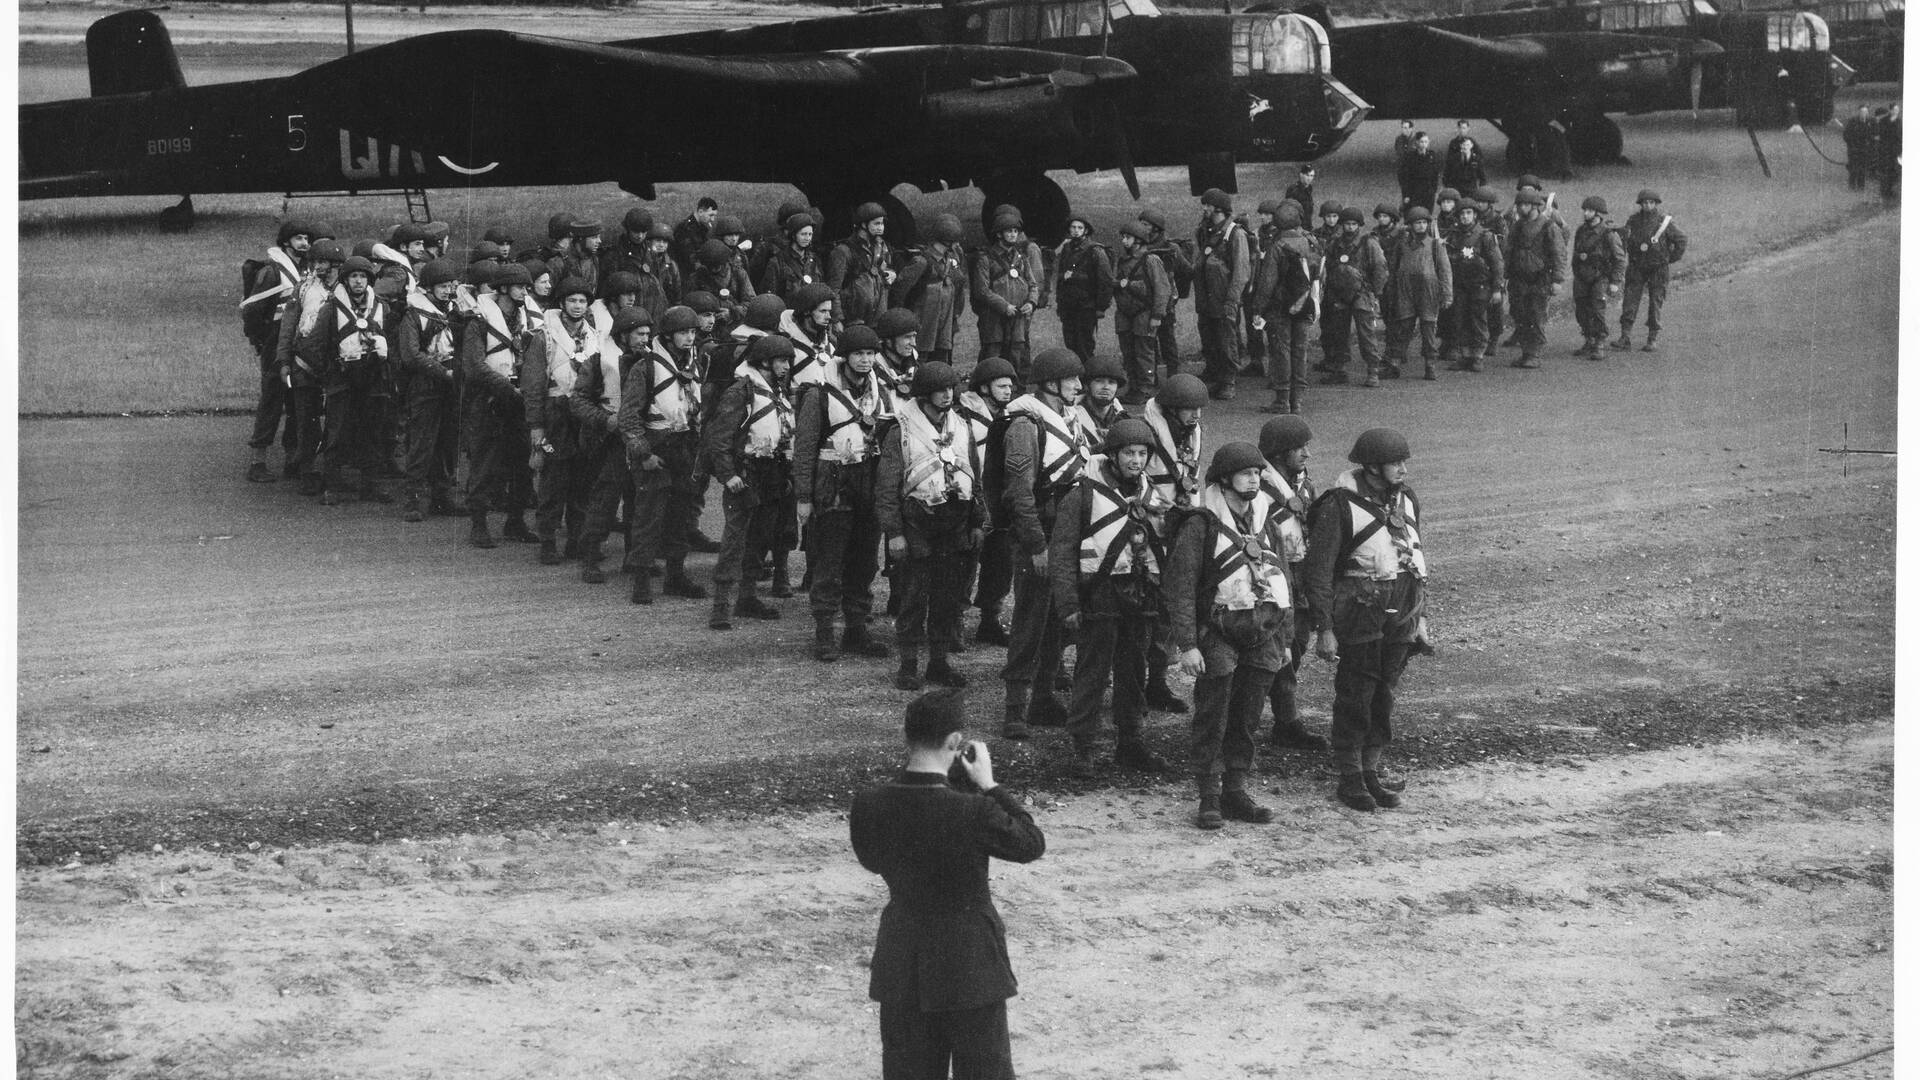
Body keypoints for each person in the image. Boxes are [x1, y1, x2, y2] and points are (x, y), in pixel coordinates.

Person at [849, 687, 1045, 1080]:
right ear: (955, 742)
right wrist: (990, 785)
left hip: (903, 959)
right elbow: (1030, 843)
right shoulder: (972, 809)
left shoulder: (869, 802)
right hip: (970, 965)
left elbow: (872, 862)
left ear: (908, 737)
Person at [1303, 427, 1431, 812]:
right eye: (1395, 463)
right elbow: (1319, 572)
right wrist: (1324, 628)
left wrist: (1421, 617)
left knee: (1384, 693)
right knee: (1356, 695)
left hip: (1403, 611)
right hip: (1359, 612)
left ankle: (1372, 770)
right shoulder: (1337, 505)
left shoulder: (1407, 500)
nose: (1403, 469)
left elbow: (1416, 557)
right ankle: (1350, 776)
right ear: (1372, 467)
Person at [1166, 442, 1290, 829]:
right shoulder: (1200, 524)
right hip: (1217, 630)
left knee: (1248, 715)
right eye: (1245, 473)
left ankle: (1236, 790)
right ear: (1223, 479)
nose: (1254, 478)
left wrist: (1285, 639)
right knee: (1213, 715)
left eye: (1257, 472)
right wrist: (1188, 644)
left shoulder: (1266, 521)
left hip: (1263, 629)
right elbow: (1180, 586)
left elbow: (1284, 577)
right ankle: (1209, 796)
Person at [1049, 417, 1176, 778]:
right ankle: (1082, 746)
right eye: (1129, 453)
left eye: (1142, 453)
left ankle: (1131, 741)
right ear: (1113, 456)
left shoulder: (1155, 499)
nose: (1136, 460)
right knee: (1092, 671)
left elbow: (1165, 548)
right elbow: (1062, 551)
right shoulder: (1083, 495)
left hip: (1142, 594)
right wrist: (1069, 603)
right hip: (1100, 594)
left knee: (1134, 669)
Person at [998, 347, 1090, 739]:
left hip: (1067, 535)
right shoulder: (1024, 425)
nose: (1079, 386)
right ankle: (1014, 708)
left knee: (1058, 620)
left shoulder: (1070, 420)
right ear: (1052, 384)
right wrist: (1037, 546)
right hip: (1040, 536)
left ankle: (1043, 699)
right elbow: (1019, 493)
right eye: (1072, 380)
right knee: (1030, 622)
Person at [877, 361, 983, 690]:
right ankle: (908, 664)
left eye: (950, 388)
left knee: (947, 598)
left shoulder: (962, 426)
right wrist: (894, 533)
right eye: (939, 390)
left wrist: (979, 520)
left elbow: (975, 477)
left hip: (955, 521)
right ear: (924, 394)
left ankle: (938, 663)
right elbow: (886, 488)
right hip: (917, 522)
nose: (947, 395)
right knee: (913, 596)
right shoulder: (901, 430)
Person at [793, 323, 893, 662]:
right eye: (858, 354)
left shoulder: (881, 391)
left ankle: (856, 630)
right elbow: (805, 449)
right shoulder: (818, 394)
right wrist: (804, 498)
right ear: (845, 357)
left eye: (870, 354)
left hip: (870, 483)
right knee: (829, 561)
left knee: (865, 561)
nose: (865, 360)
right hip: (833, 485)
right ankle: (824, 632)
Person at [702, 333, 797, 629]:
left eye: (787, 361)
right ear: (764, 362)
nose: (786, 366)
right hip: (746, 473)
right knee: (734, 540)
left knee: (761, 537)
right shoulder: (740, 391)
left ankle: (747, 597)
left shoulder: (779, 390)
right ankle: (721, 606)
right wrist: (728, 475)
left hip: (773, 472)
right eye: (781, 361)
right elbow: (719, 438)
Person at [617, 304, 710, 604]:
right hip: (656, 449)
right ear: (668, 337)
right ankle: (641, 579)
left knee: (680, 516)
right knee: (648, 517)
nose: (689, 337)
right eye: (683, 332)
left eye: (693, 332)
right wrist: (643, 454)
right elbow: (629, 417)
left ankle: (676, 576)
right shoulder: (645, 367)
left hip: (684, 448)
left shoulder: (694, 363)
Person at [1257, 415, 1328, 751]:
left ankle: (1284, 720)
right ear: (1278, 452)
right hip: (1272, 578)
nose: (1306, 454)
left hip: (1300, 576)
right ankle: (1278, 720)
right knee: (1272, 649)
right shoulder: (1258, 490)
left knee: (1295, 646)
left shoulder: (1303, 485)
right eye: (1299, 447)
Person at [462, 262, 542, 546]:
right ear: (505, 288)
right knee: (484, 462)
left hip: (520, 401)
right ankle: (479, 524)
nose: (525, 291)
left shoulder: (528, 320)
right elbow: (474, 366)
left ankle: (516, 521)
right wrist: (507, 388)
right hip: (490, 401)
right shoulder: (478, 322)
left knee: (523, 464)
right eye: (520, 286)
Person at [573, 307, 651, 585]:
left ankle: (635, 557)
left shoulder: (650, 362)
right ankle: (590, 558)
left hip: (641, 438)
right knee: (605, 500)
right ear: (624, 335)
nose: (645, 338)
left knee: (639, 500)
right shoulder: (597, 362)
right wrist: (605, 421)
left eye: (648, 334)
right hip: (610, 441)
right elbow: (578, 400)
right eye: (640, 333)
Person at [527, 276, 599, 563]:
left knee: (583, 479)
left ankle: (576, 541)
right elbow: (533, 386)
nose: (578, 306)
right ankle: (547, 542)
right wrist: (536, 426)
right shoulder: (543, 337)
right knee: (554, 479)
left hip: (583, 416)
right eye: (572, 300)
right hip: (555, 415)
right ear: (561, 303)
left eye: (582, 301)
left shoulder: (594, 336)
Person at [314, 255, 393, 506]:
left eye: (362, 277)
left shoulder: (382, 307)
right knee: (337, 432)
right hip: (342, 378)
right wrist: (330, 373)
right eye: (353, 277)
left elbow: (392, 340)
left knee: (372, 432)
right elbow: (318, 345)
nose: (358, 282)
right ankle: (332, 486)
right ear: (346, 281)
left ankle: (370, 485)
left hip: (373, 378)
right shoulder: (331, 309)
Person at [243, 219, 315, 482]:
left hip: (300, 343)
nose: (304, 243)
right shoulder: (272, 271)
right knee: (272, 399)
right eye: (298, 238)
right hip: (275, 343)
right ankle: (258, 462)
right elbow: (252, 310)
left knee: (298, 401)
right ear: (286, 242)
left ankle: (292, 457)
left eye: (306, 238)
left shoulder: (307, 269)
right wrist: (262, 341)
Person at [275, 238, 346, 497]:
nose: (318, 266)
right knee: (306, 421)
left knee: (338, 423)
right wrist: (284, 361)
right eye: (315, 261)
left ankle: (332, 472)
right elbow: (288, 327)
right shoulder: (303, 289)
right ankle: (306, 470)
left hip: (337, 364)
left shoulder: (347, 290)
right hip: (303, 363)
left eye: (324, 262)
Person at [395, 257, 463, 522]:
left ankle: (441, 497)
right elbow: (411, 355)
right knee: (422, 442)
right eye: (442, 286)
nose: (447, 291)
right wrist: (442, 372)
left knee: (447, 442)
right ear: (428, 288)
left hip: (451, 380)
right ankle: (413, 499)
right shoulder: (414, 314)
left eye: (450, 286)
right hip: (425, 383)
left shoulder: (454, 311)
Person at [959, 357, 1019, 648]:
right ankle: (953, 621)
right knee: (965, 561)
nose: (1008, 391)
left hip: (1002, 499)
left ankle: (990, 619)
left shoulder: (1010, 415)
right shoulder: (964, 415)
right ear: (984, 387)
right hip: (974, 495)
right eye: (1001, 385)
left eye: (1010, 386)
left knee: (1000, 563)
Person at [1250, 201, 1317, 413]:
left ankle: (1282, 399)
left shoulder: (1277, 247)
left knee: (1282, 352)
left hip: (1280, 308)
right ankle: (1297, 401)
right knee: (1300, 352)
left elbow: (1267, 282)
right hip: (1306, 304)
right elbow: (1318, 275)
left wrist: (1257, 309)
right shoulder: (1311, 243)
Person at [1193, 188, 1253, 400]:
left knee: (1226, 340)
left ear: (1218, 208)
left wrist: (1232, 301)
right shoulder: (1206, 231)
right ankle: (1217, 375)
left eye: (1207, 205)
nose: (1204, 209)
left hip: (1224, 299)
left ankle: (1228, 381)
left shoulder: (1235, 234)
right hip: (1206, 299)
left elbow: (1241, 271)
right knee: (1209, 338)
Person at [1381, 206, 1453, 382]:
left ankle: (1430, 365)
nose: (1420, 226)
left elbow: (1445, 271)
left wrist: (1447, 294)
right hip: (1406, 291)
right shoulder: (1402, 245)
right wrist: (1390, 291)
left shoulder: (1435, 245)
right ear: (1410, 226)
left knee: (1428, 330)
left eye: (1423, 223)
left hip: (1428, 292)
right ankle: (1395, 364)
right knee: (1403, 328)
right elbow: (1393, 268)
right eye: (1416, 223)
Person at [1320, 207, 1389, 386]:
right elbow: (1327, 266)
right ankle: (1340, 369)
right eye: (1347, 224)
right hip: (1339, 293)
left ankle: (1373, 370)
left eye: (1353, 224)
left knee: (1366, 334)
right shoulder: (1335, 243)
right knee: (1339, 333)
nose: (1350, 227)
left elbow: (1380, 267)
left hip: (1362, 293)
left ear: (1359, 225)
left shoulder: (1369, 243)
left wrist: (1376, 291)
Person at [1612, 189, 1686, 353]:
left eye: (1651, 202)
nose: (1647, 205)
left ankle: (1652, 338)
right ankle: (1625, 337)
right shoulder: (1633, 220)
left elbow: (1681, 239)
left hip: (1657, 268)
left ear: (1656, 204)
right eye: (1644, 203)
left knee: (1655, 303)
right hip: (1637, 266)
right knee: (1629, 301)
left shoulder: (1664, 222)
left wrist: (1670, 258)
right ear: (1640, 204)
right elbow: (1624, 239)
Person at [891, 212, 969, 366]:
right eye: (955, 242)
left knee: (941, 358)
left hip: (942, 324)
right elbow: (899, 290)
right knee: (918, 360)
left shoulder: (949, 261)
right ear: (948, 241)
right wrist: (899, 320)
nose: (958, 245)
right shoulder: (921, 262)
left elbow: (959, 284)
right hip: (922, 324)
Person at [972, 208, 1040, 376]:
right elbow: (982, 290)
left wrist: (1031, 303)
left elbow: (1033, 284)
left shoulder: (1022, 258)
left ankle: (1016, 388)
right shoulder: (985, 258)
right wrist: (1004, 306)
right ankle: (986, 386)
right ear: (999, 234)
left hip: (1018, 315)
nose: (1013, 234)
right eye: (1009, 231)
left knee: (1016, 352)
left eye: (1015, 231)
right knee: (992, 353)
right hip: (993, 315)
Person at [1110, 220, 1170, 406]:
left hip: (1144, 314)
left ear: (1139, 240)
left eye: (1127, 237)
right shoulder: (1123, 260)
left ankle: (1145, 389)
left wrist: (1157, 316)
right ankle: (1134, 386)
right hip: (1125, 313)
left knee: (1144, 353)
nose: (1124, 241)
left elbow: (1162, 289)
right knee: (1128, 353)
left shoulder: (1150, 260)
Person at [1504, 189, 1565, 369]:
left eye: (1525, 204)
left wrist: (1557, 280)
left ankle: (1534, 354)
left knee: (1536, 316)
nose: (1522, 208)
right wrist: (1504, 275)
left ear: (1534, 206)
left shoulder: (1548, 227)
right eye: (1520, 204)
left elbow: (1558, 253)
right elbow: (1509, 252)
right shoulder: (1517, 226)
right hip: (1518, 279)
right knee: (1520, 315)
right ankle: (1526, 352)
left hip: (1539, 279)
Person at [1441, 199, 1504, 373]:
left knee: (1478, 320)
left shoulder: (1485, 236)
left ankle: (1478, 356)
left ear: (1475, 215)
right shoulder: (1454, 235)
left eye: (1469, 213)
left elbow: (1497, 263)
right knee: (1460, 320)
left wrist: (1497, 288)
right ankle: (1466, 355)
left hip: (1480, 285)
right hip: (1460, 285)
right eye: (1462, 214)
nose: (1465, 217)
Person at [1050, 215, 1114, 364]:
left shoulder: (1095, 251)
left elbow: (1105, 281)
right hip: (1068, 305)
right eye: (1073, 227)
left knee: (1084, 345)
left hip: (1086, 306)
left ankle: (1087, 379)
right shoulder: (1067, 248)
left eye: (1080, 228)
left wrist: (1101, 307)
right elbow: (1061, 279)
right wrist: (1060, 303)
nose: (1076, 231)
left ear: (1086, 231)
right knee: (1070, 342)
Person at [1570, 195, 1627, 359]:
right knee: (1581, 310)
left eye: (1589, 210)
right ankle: (1589, 339)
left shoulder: (1609, 234)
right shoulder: (1581, 230)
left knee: (1597, 309)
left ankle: (1600, 342)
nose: (1585, 213)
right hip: (1581, 275)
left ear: (1598, 214)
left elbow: (1620, 259)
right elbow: (1576, 252)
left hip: (1599, 276)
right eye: (1585, 210)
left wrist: (1615, 281)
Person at [830, 202, 895, 327]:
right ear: (864, 225)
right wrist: (836, 319)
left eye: (882, 223)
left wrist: (891, 273)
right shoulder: (843, 251)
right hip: (852, 318)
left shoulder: (881, 247)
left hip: (876, 317)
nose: (881, 227)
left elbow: (887, 267)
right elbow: (834, 288)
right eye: (876, 223)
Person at [759, 211, 822, 300]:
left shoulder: (814, 261)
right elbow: (770, 299)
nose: (807, 238)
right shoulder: (777, 262)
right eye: (803, 234)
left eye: (810, 234)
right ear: (793, 235)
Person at [1070, 354, 1128, 448]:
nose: (1106, 387)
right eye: (1099, 381)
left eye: (1111, 382)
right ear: (1087, 385)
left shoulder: (1123, 417)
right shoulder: (1071, 416)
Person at [671, 196, 718, 279]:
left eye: (714, 216)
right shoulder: (684, 228)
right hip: (686, 274)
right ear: (700, 212)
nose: (713, 219)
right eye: (711, 215)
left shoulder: (701, 227)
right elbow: (689, 257)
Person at [1397, 130, 1442, 212]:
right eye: (1422, 142)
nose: (1424, 144)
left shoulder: (1432, 156)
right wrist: (1406, 194)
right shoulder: (1409, 157)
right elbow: (1404, 177)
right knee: (1414, 214)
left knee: (1427, 214)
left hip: (1428, 193)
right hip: (1413, 192)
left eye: (1426, 141)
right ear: (1417, 142)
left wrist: (1434, 190)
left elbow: (1435, 174)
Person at [1843, 105, 1875, 191]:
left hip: (1865, 149)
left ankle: (1861, 186)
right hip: (1854, 149)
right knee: (1853, 168)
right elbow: (1846, 135)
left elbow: (1874, 135)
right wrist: (1851, 144)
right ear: (1859, 112)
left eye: (1865, 112)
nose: (1863, 114)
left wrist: (1870, 143)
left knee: (1863, 168)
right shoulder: (1853, 122)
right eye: (1862, 112)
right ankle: (1852, 186)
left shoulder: (1871, 122)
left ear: (1868, 113)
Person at [1876, 104, 1900, 200]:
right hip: (1885, 149)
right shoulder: (1883, 121)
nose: (1896, 111)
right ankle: (1884, 191)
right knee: (1884, 170)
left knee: (1894, 171)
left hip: (1896, 150)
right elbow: (1881, 134)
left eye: (1897, 109)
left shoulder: (1900, 121)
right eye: (1894, 109)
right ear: (1890, 110)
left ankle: (1891, 190)